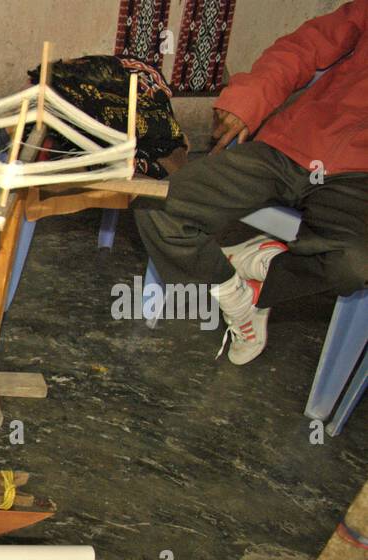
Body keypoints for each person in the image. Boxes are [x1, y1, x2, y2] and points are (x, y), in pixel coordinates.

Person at [134, 0, 367, 365]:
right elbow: (307, 45)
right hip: (291, 144)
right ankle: (237, 299)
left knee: (353, 264)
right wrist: (248, 100)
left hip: (359, 182)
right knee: (156, 203)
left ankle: (264, 279)